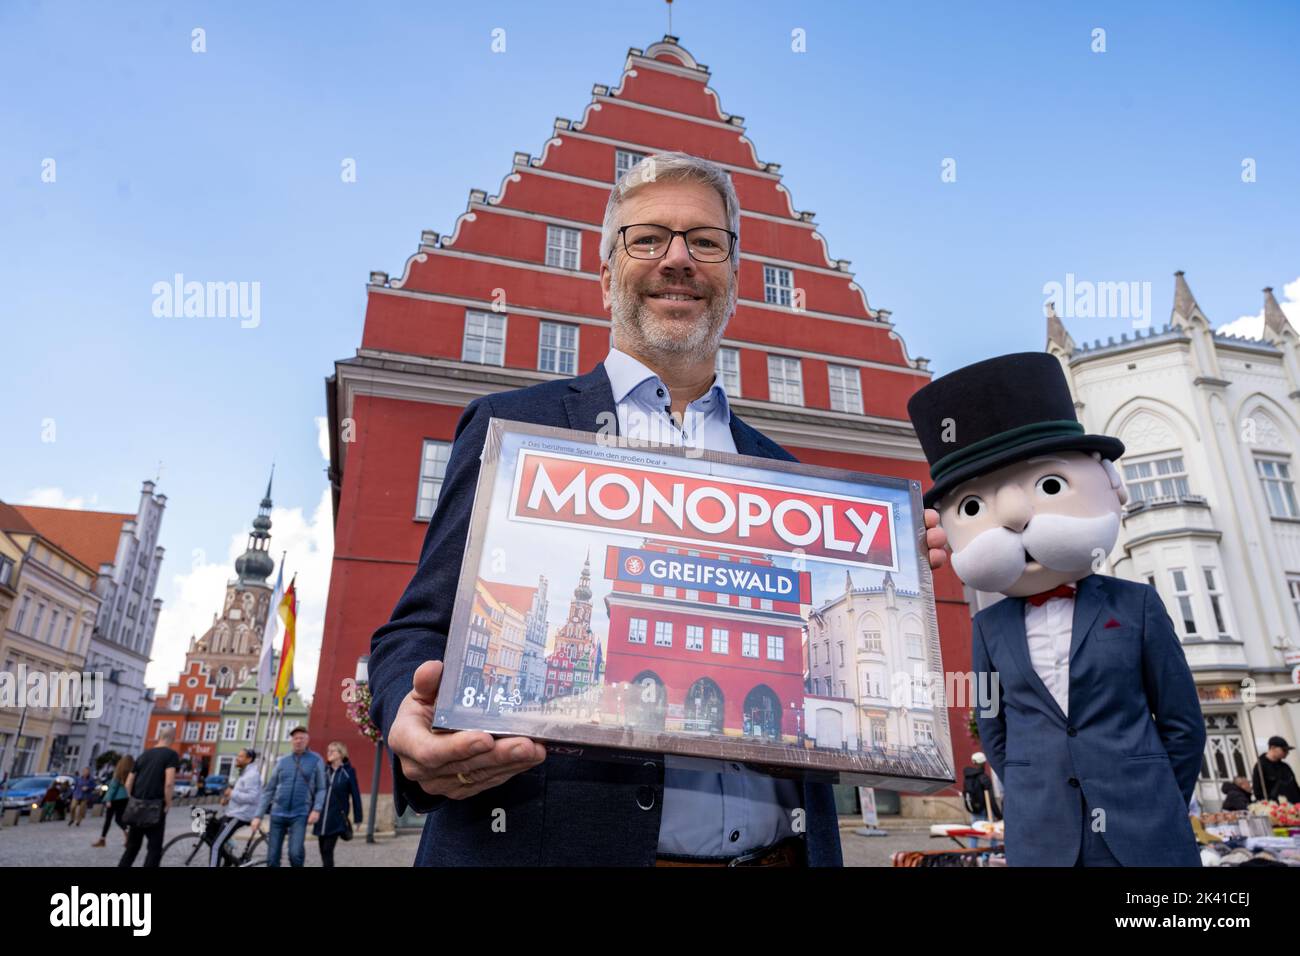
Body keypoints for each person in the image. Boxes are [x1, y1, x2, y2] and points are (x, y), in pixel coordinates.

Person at [368, 151, 951, 867]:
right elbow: (414, 632)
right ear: (606, 273)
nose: (678, 259)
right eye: (648, 239)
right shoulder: (507, 432)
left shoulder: (794, 482)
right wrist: (404, 714)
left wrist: (893, 560)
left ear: (733, 278)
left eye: (705, 242)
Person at [908, 353, 1205, 866]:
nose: (1017, 518)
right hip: (1044, 838)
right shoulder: (987, 627)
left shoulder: (1136, 605)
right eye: (975, 507)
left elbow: (1182, 723)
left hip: (1145, 833)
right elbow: (993, 728)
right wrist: (1034, 788)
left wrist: (1155, 799)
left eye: (1047, 485)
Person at [250, 727, 325, 867]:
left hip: (300, 814)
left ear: (307, 740)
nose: (298, 741)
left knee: (295, 854)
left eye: (301, 738)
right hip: (278, 813)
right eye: (295, 738)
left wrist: (317, 809)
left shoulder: (316, 760)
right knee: (272, 858)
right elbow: (269, 790)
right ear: (292, 741)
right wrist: (258, 816)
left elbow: (321, 788)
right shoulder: (283, 761)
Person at [119, 725, 180, 867]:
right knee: (154, 849)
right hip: (155, 807)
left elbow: (129, 782)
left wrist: (132, 799)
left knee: (132, 848)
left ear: (159, 736)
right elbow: (169, 782)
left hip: (137, 806)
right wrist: (168, 803)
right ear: (173, 738)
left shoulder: (144, 755)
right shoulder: (171, 755)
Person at [313, 741, 363, 867]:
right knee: (322, 850)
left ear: (341, 754)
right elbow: (314, 791)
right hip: (321, 817)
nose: (329, 753)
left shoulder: (348, 772)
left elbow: (356, 796)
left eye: (333, 750)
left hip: (336, 818)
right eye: (328, 750)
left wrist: (358, 818)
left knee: (327, 850)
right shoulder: (324, 770)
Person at [210, 748, 262, 867]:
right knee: (211, 830)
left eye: (241, 756)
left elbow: (253, 798)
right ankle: (229, 859)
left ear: (249, 759)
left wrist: (232, 794)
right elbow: (239, 792)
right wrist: (228, 798)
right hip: (233, 812)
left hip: (241, 815)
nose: (237, 758)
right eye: (237, 756)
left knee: (216, 845)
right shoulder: (243, 772)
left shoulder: (252, 775)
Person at [92, 754, 133, 847]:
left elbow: (113, 787)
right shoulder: (132, 773)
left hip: (115, 799)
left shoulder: (119, 772)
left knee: (108, 820)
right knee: (120, 819)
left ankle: (102, 839)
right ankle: (127, 834)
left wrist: (108, 800)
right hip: (125, 799)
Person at [961, 752, 1001, 848]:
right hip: (984, 810)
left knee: (974, 832)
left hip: (974, 809)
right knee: (991, 831)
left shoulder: (968, 777)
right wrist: (998, 815)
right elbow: (991, 799)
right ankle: (994, 851)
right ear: (984, 763)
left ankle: (972, 852)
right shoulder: (984, 778)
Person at [1252, 736, 1300, 803]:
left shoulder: (1285, 767)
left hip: (1294, 807)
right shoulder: (1260, 767)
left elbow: (1295, 787)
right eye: (1284, 750)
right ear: (1273, 748)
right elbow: (1258, 793)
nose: (1287, 753)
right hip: (1276, 809)